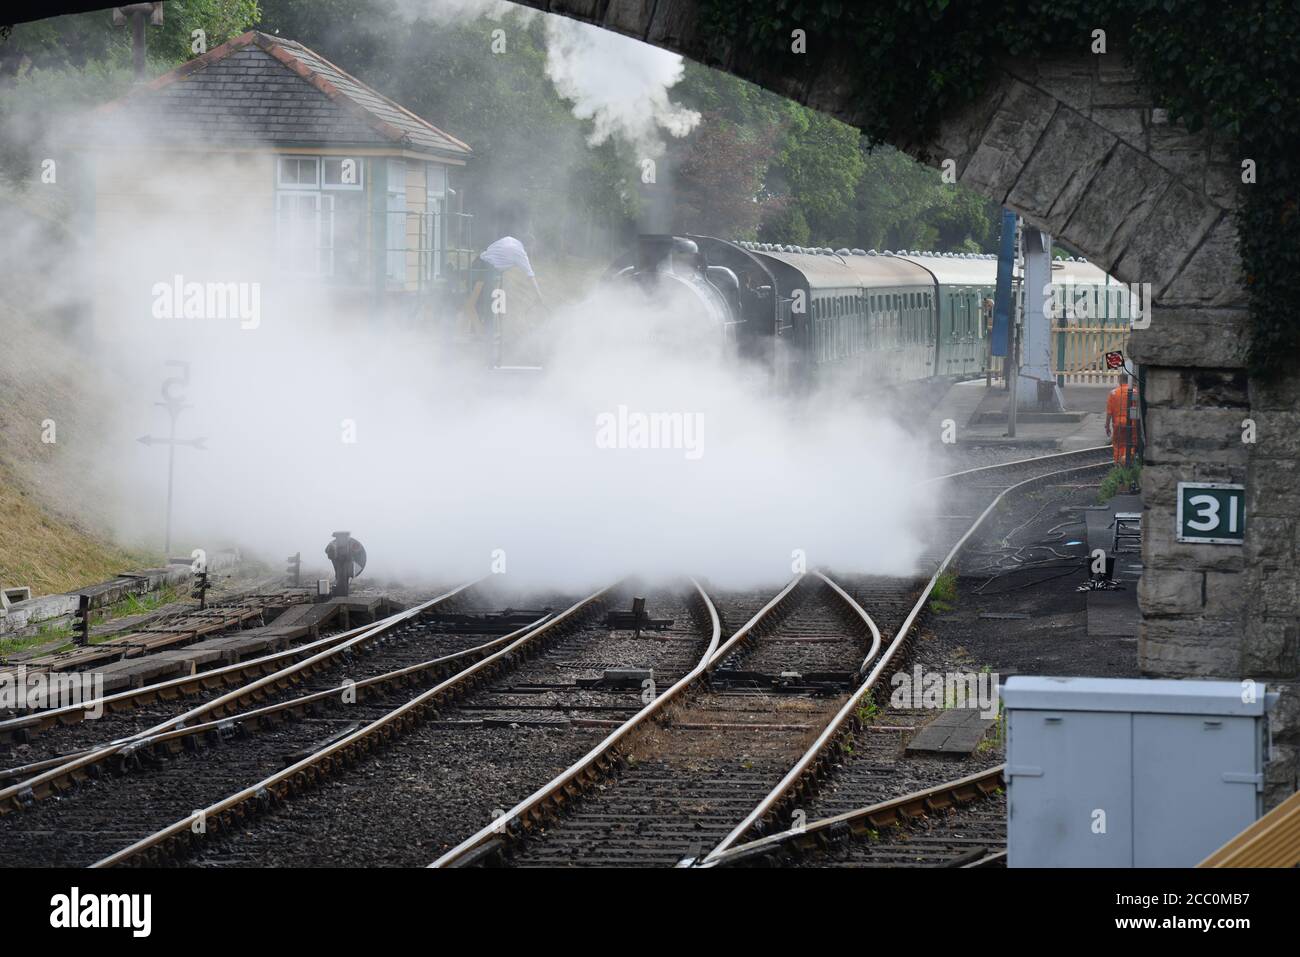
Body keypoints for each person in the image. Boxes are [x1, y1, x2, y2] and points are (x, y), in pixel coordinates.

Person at [1105, 371, 1138, 465]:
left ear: (1120, 380)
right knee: (1131, 443)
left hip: (1118, 424)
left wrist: (1107, 426)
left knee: (1118, 445)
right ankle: (1127, 462)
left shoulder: (1113, 393)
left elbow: (1109, 413)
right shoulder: (1135, 392)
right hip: (1132, 424)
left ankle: (1118, 464)